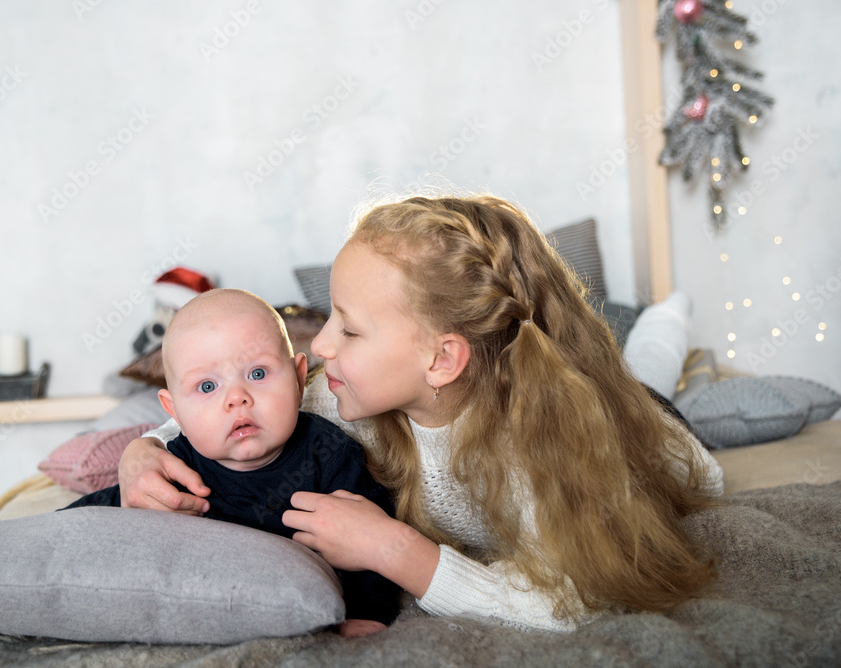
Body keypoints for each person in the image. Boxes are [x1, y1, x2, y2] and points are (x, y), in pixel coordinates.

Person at [118, 195, 725, 632]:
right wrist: (144, 449)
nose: (320, 346)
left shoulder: (536, 450)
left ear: (441, 360)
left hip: (643, 426)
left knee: (641, 371)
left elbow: (571, 597)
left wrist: (395, 550)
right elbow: (239, 410)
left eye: (349, 328)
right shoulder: (341, 393)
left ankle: (669, 318)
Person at [63, 288, 400, 637]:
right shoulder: (174, 468)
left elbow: (371, 542)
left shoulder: (331, 455)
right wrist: (59, 528)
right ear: (174, 411)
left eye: (257, 374)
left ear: (300, 379)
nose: (237, 398)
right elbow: (100, 518)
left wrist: (370, 612)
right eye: (207, 386)